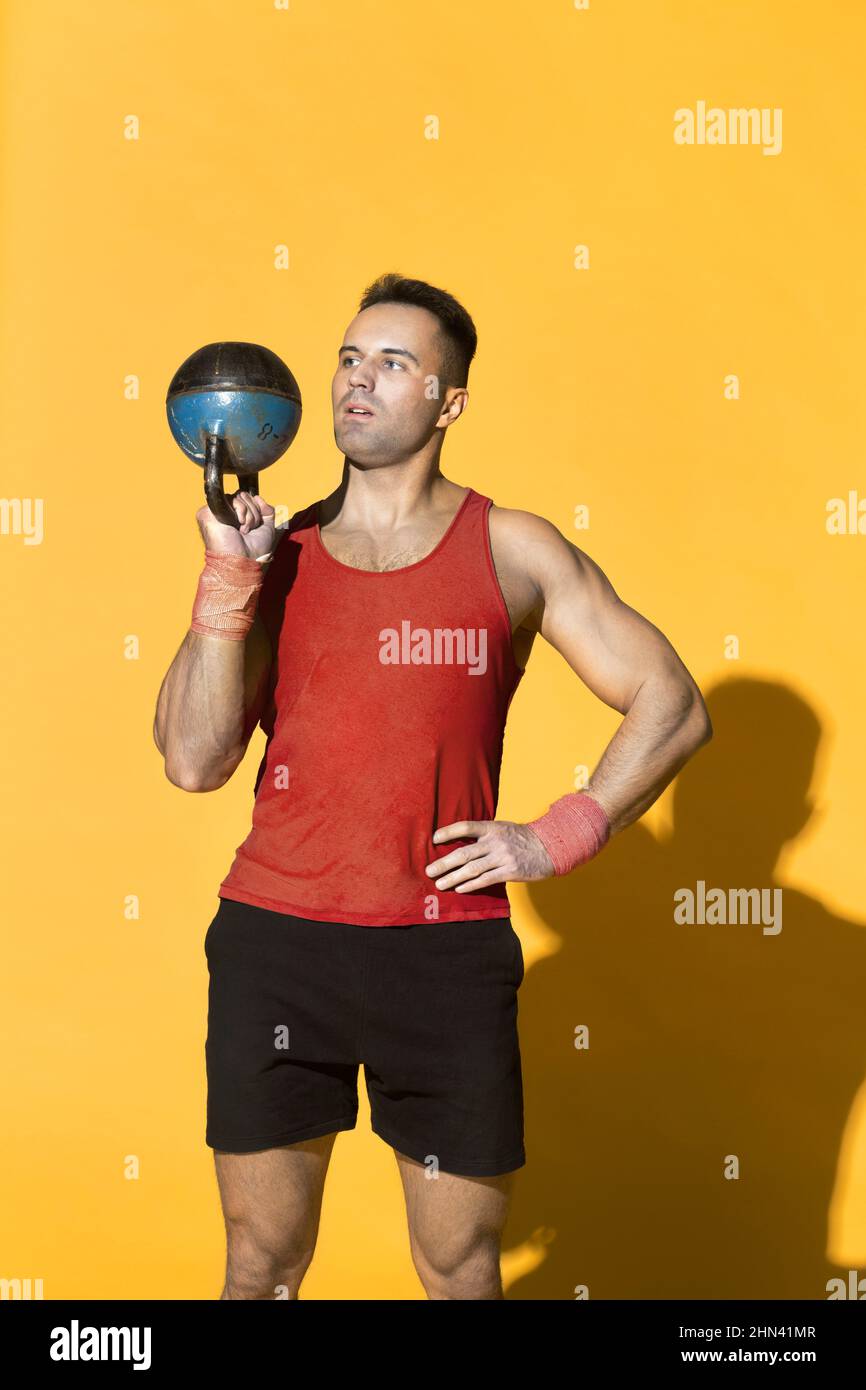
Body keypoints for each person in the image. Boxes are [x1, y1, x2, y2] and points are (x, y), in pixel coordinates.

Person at [153, 272, 712, 1300]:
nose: (359, 381)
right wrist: (228, 577)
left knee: (457, 1269)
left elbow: (670, 700)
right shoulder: (277, 555)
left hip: (442, 958)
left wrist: (557, 834)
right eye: (349, 358)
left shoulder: (512, 548)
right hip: (277, 942)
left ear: (448, 402)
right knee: (259, 1264)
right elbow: (192, 760)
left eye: (394, 363)